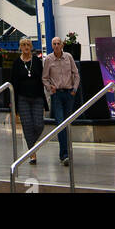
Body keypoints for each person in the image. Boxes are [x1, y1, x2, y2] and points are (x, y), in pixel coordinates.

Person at [43, 35, 80, 167]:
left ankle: (66, 152)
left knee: (67, 123)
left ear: (62, 45)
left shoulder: (68, 57)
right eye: (54, 44)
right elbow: (45, 78)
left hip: (69, 93)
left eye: (59, 43)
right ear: (52, 46)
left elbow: (76, 74)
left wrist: (74, 89)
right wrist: (50, 88)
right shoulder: (48, 59)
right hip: (57, 95)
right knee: (60, 123)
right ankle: (64, 154)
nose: (57, 46)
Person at [10, 37, 45, 165]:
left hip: (37, 97)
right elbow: (13, 82)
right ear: (20, 47)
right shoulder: (16, 63)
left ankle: (31, 143)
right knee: (27, 125)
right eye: (23, 45)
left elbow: (42, 78)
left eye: (28, 45)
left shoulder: (36, 61)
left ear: (31, 47)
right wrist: (12, 103)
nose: (26, 47)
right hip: (22, 99)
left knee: (39, 125)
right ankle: (32, 153)